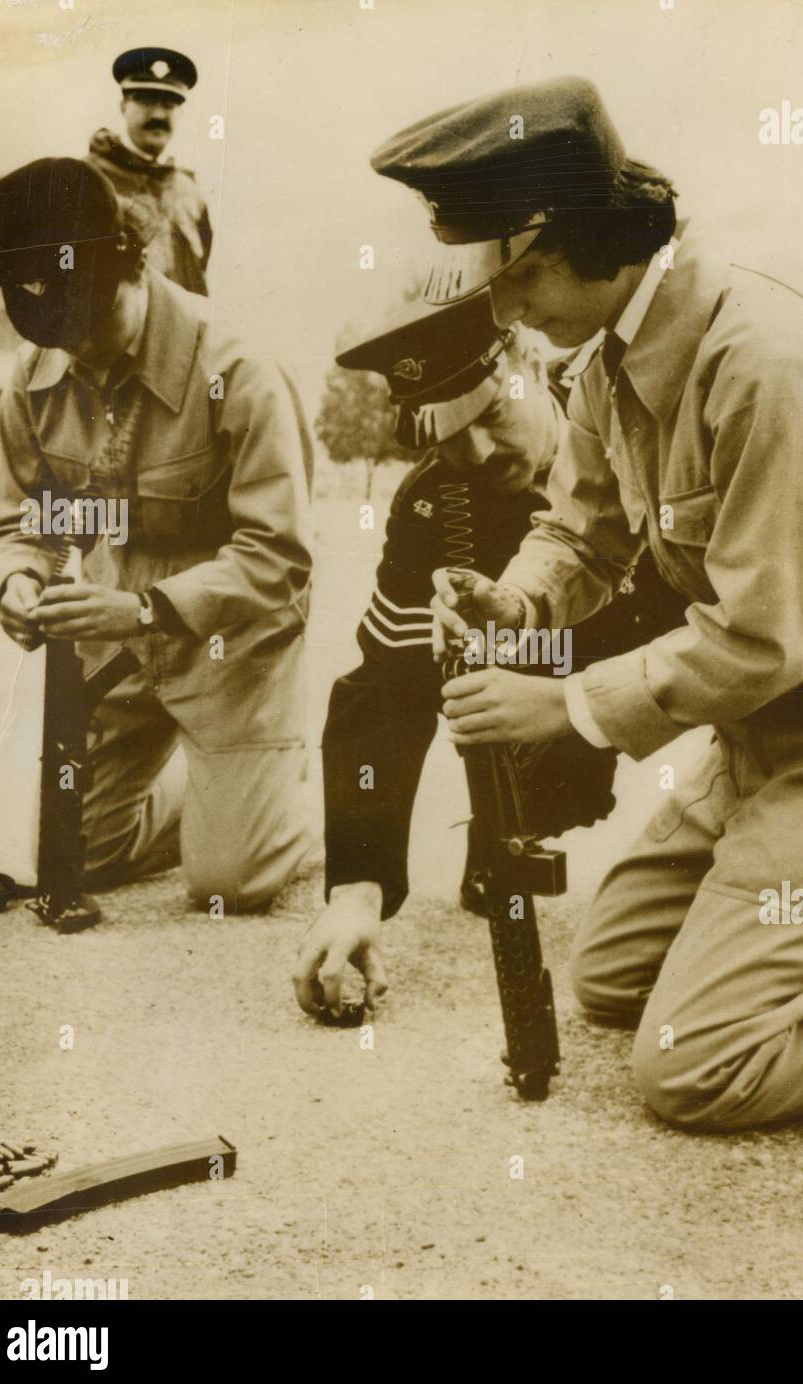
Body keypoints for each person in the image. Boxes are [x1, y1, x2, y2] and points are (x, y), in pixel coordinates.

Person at [372, 77, 803, 1132]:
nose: (512, 317)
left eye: (522, 282)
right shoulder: (607, 358)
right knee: (612, 977)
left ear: (587, 240)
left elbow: (767, 634)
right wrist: (514, 600)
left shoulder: (767, 365)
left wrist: (561, 706)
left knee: (694, 1064)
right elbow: (582, 529)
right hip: (766, 733)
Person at [292, 289, 684, 1017]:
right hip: (546, 694)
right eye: (443, 441)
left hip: (666, 683)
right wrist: (358, 887)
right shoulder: (434, 503)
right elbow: (382, 694)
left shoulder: (642, 445)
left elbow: (740, 635)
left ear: (530, 365)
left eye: (489, 416)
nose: (472, 456)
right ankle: (502, 835)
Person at [0, 157, 313, 912]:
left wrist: (148, 608)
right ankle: (227, 792)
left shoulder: (239, 366)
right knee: (77, 861)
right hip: (113, 653)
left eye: (93, 326)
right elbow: (24, 520)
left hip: (233, 644)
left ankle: (272, 801)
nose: (80, 352)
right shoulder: (36, 372)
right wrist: (16, 581)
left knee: (230, 884)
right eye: (61, 338)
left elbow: (279, 557)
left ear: (134, 262)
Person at [87, 47, 212, 295]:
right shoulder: (89, 178)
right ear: (123, 106)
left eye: (169, 104)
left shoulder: (189, 192)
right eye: (145, 101)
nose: (158, 114)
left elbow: (199, 272)